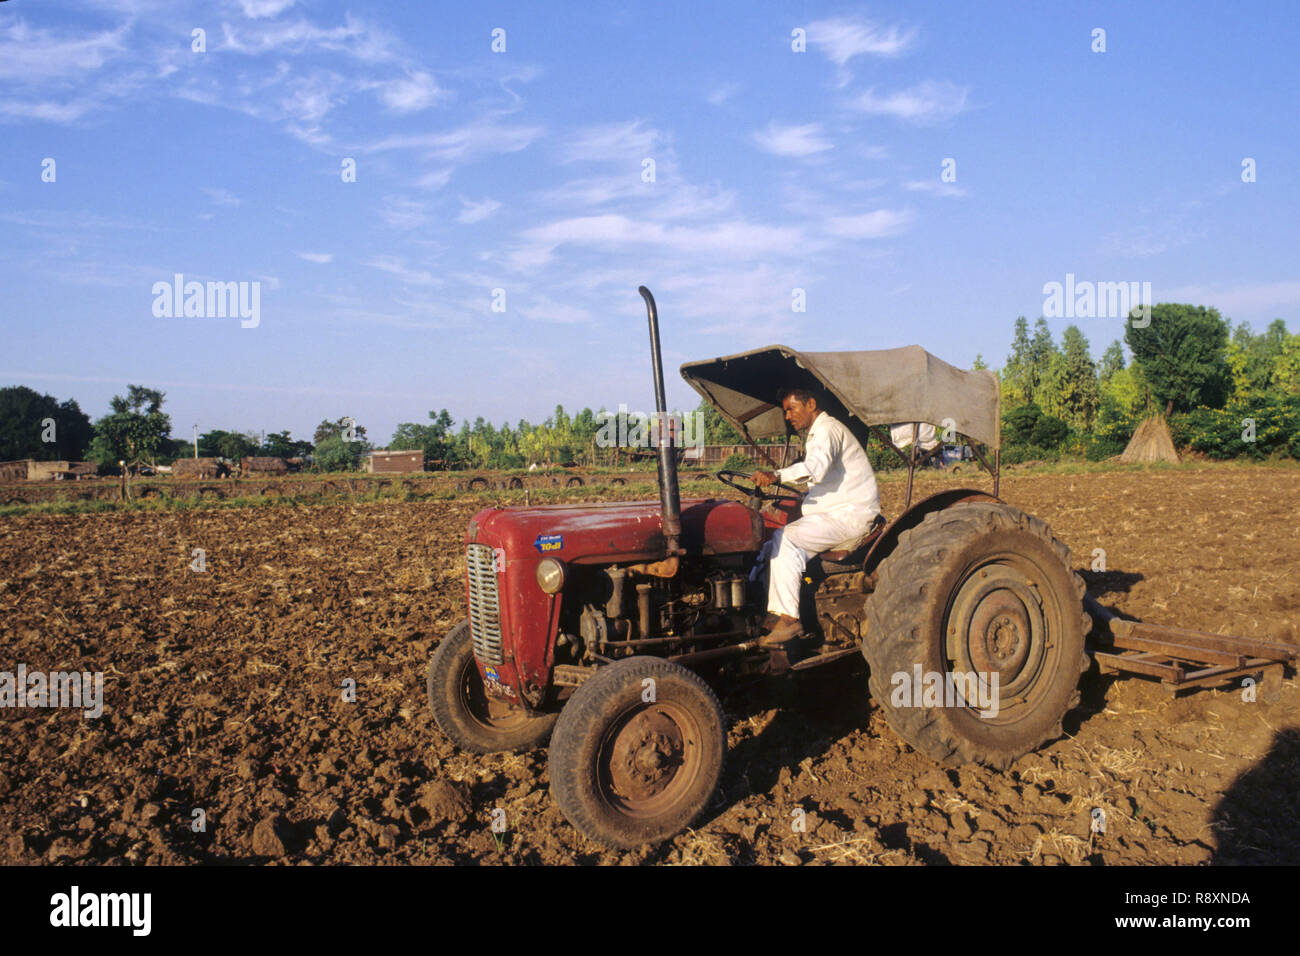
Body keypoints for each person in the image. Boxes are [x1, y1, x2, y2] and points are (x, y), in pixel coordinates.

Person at [750, 388, 881, 647]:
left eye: (792, 408)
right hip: (833, 512)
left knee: (785, 538)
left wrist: (776, 475)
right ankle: (763, 613)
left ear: (811, 404)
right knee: (765, 550)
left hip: (850, 515)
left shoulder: (827, 430)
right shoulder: (817, 434)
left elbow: (815, 469)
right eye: (785, 410)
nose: (788, 416)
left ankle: (788, 619)